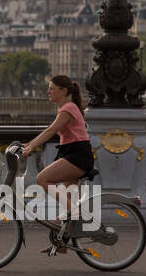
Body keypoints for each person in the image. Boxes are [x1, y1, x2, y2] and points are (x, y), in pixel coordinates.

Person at [20, 75, 92, 254]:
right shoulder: (68, 107)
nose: (48, 92)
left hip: (77, 156)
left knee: (42, 179)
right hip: (74, 153)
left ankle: (75, 213)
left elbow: (50, 130)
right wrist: (28, 145)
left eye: (52, 88)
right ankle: (61, 244)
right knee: (69, 199)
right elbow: (50, 130)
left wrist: (30, 147)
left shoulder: (68, 109)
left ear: (64, 91)